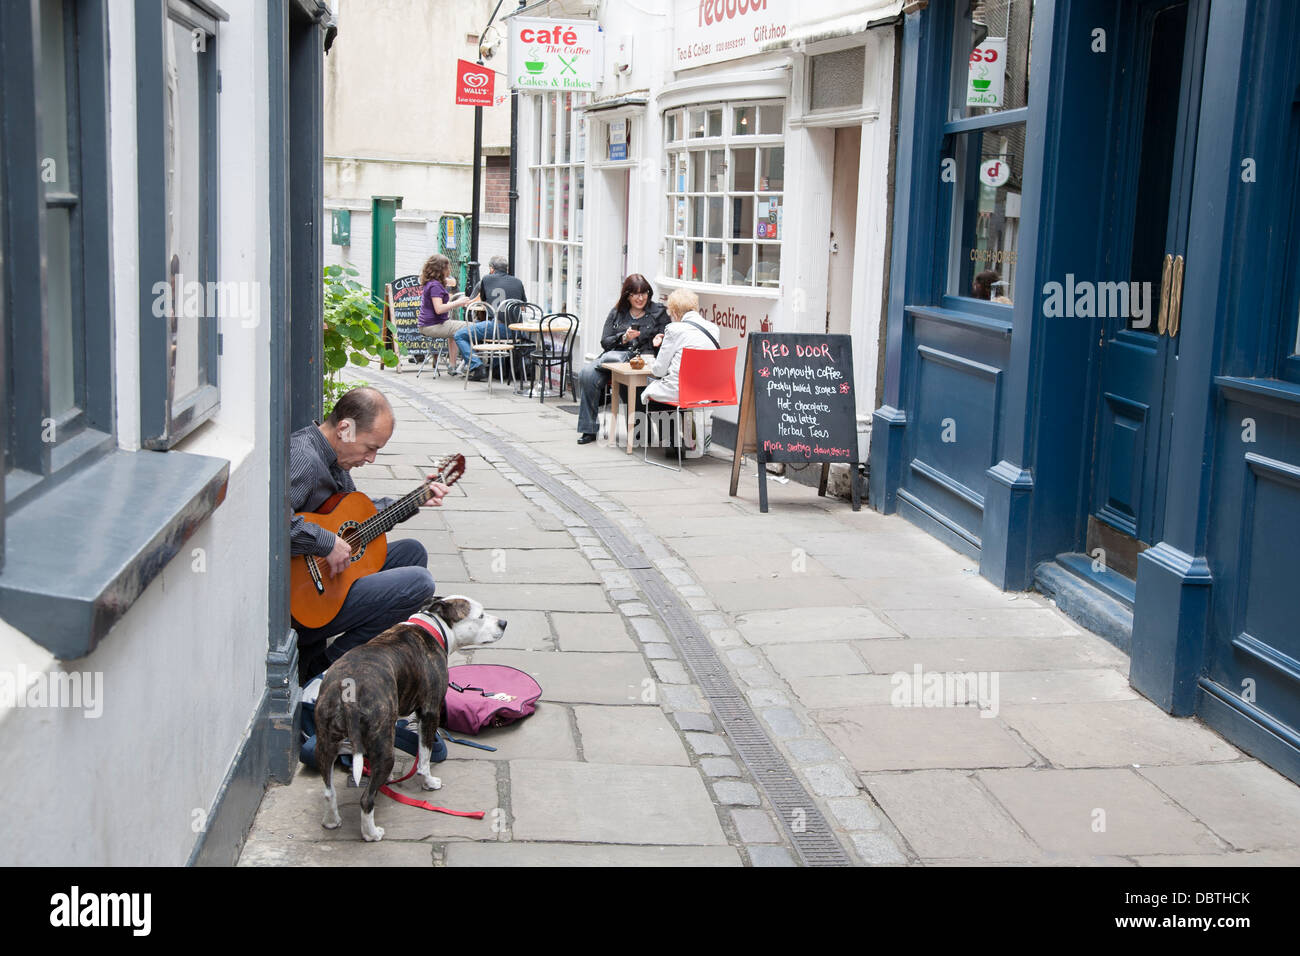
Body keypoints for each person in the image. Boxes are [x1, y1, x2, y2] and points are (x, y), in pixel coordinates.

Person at [289, 386, 449, 684]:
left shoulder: (331, 459)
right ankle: (324, 669)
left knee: (413, 553)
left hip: (325, 579)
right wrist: (326, 543)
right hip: (300, 600)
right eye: (370, 447)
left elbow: (356, 518)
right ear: (344, 429)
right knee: (418, 583)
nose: (372, 459)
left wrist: (416, 499)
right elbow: (272, 524)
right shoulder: (304, 459)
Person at [575, 273, 669, 444]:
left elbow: (667, 338)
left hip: (640, 360)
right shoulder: (618, 312)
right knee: (587, 375)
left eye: (644, 293)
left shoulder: (658, 312)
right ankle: (588, 430)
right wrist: (624, 337)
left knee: (629, 382)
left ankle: (640, 433)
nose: (640, 298)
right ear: (627, 295)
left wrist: (659, 341)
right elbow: (605, 341)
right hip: (614, 357)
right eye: (635, 294)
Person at [641, 288, 721, 452]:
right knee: (672, 393)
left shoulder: (674, 329)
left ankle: (672, 442)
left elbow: (659, 371)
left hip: (683, 391)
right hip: (708, 391)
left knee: (650, 393)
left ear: (675, 312)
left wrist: (652, 361)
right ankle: (686, 440)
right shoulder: (713, 328)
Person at [452, 255, 528, 380]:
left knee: (460, 335)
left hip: (498, 327)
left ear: (491, 269)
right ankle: (497, 369)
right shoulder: (518, 282)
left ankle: (477, 367)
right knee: (494, 336)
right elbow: (523, 307)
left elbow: (482, 300)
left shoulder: (487, 279)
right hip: (517, 331)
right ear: (506, 269)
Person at [417, 254, 477, 371]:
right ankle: (473, 362)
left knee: (455, 330)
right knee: (473, 327)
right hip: (433, 325)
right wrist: (458, 303)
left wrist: (454, 299)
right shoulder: (435, 286)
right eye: (447, 267)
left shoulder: (432, 283)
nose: (449, 269)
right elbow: (439, 309)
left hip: (428, 324)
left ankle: (453, 365)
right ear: (441, 269)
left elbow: (442, 300)